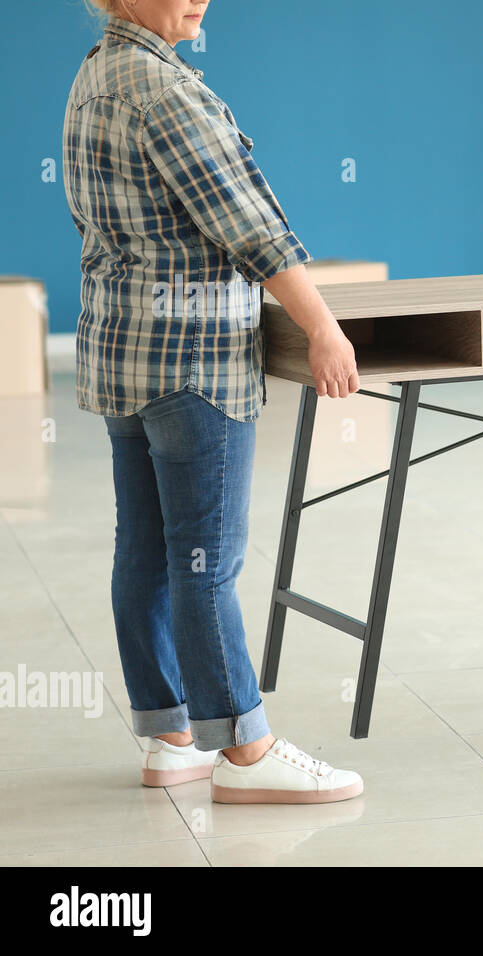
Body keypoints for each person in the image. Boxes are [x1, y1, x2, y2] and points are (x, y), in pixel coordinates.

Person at [65, 0, 366, 800]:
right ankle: (245, 749)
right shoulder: (163, 90)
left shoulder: (95, 74)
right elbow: (252, 228)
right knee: (207, 558)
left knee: (149, 551)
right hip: (195, 362)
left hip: (126, 351)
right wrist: (323, 327)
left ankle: (170, 736)